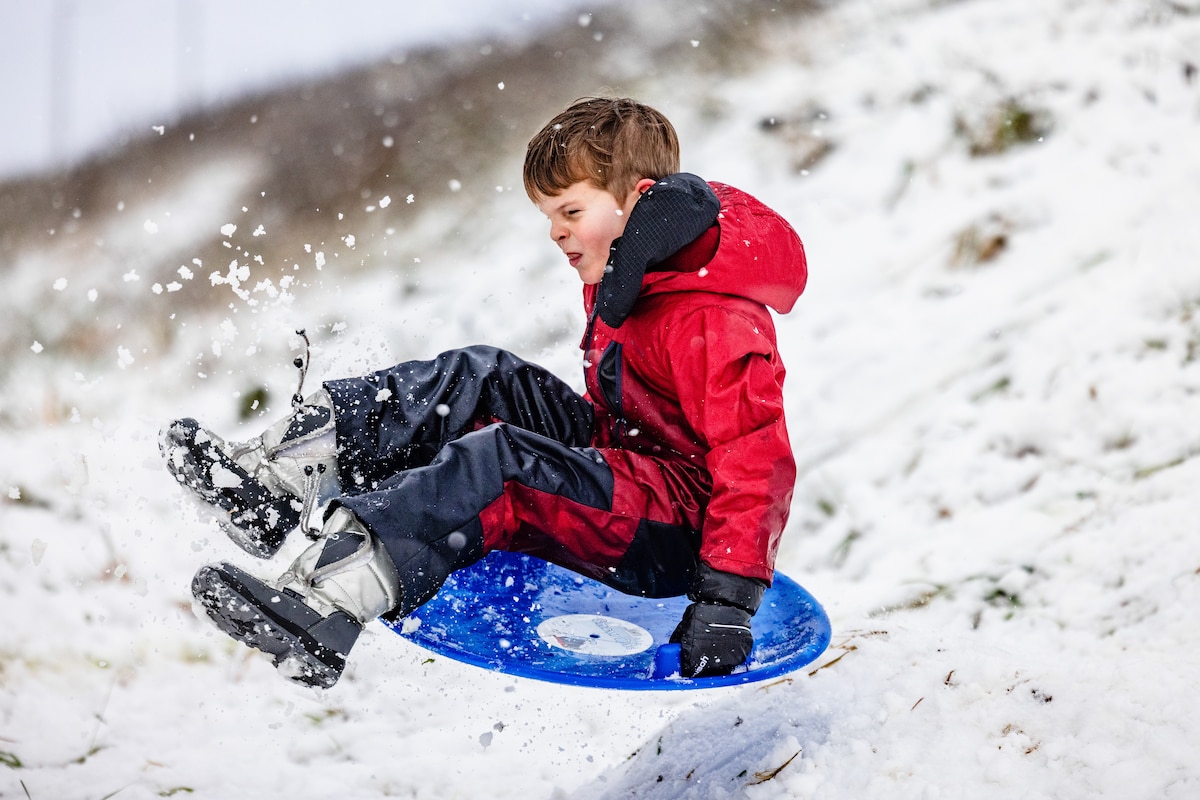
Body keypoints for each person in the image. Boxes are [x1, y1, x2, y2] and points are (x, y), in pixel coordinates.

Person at [162, 96, 808, 689]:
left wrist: (725, 603)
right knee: (479, 377)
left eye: (570, 211)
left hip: (675, 527)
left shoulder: (712, 317)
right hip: (633, 460)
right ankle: (271, 485)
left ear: (639, 201)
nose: (555, 231)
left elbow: (756, 459)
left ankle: (325, 608)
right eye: (549, 216)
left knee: (502, 464)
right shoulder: (636, 260)